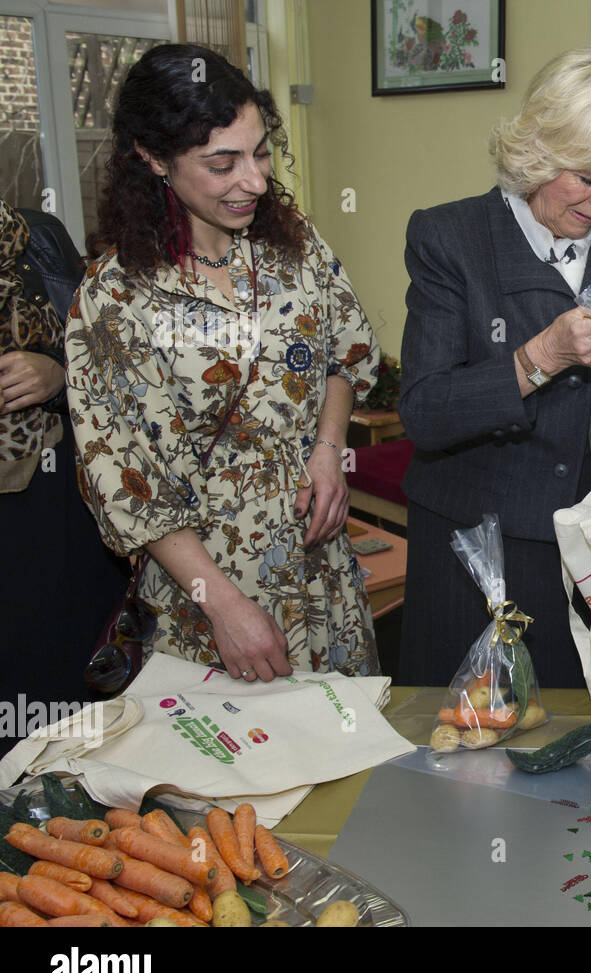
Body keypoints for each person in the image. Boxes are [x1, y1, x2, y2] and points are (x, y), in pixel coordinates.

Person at [65, 44, 380, 684]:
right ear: (152, 160)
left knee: (348, 772)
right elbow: (132, 486)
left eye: (261, 152)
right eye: (222, 164)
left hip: (322, 579)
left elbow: (346, 354)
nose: (256, 182)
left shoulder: (290, 244)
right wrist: (226, 607)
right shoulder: (115, 298)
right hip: (210, 605)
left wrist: (328, 447)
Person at [398, 47, 591, 688]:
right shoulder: (451, 238)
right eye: (588, 179)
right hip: (477, 553)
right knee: (466, 758)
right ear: (537, 154)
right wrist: (539, 358)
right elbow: (426, 412)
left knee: (584, 757)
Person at [0, 199, 129, 760]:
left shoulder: (38, 238)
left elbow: (101, 356)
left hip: (51, 506)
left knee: (68, 685)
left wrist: (56, 371)